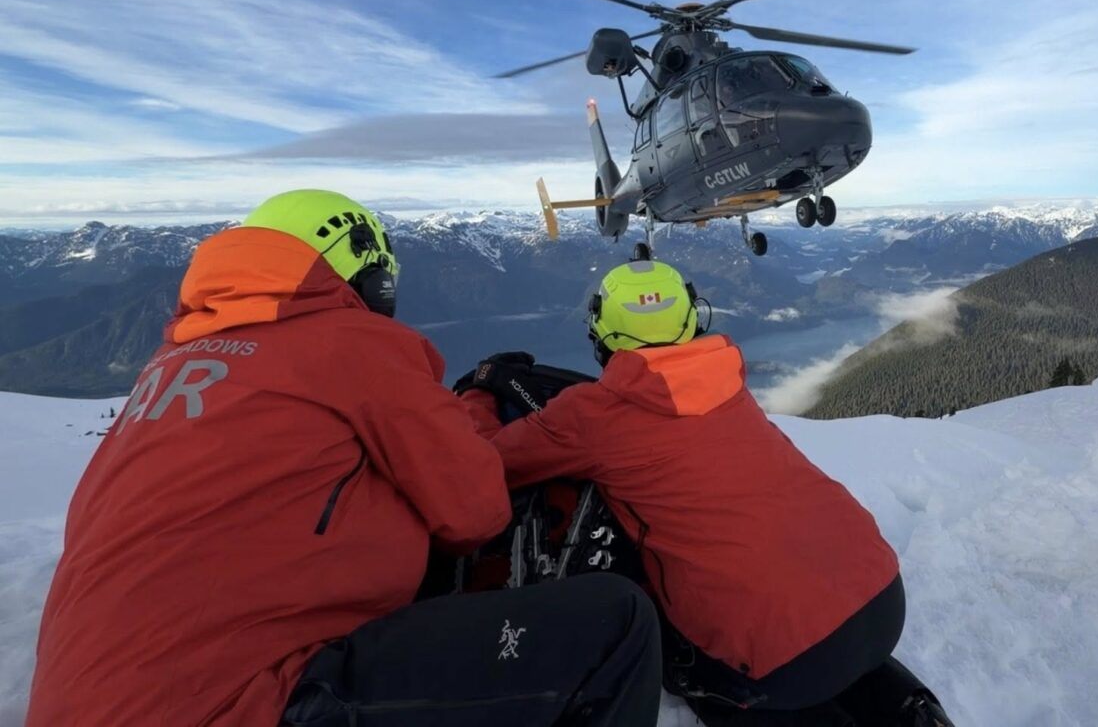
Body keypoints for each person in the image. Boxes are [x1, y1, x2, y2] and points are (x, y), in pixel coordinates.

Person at [27, 190, 661, 727]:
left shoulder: (170, 365)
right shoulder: (354, 345)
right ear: (366, 273)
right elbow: (476, 512)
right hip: (250, 700)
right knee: (618, 623)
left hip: (81, 699)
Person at [459, 260, 952, 726]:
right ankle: (912, 712)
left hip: (784, 660)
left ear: (601, 333)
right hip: (882, 597)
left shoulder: (593, 416)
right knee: (828, 645)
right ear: (692, 318)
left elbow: (485, 463)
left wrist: (481, 390)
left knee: (717, 670)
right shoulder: (725, 381)